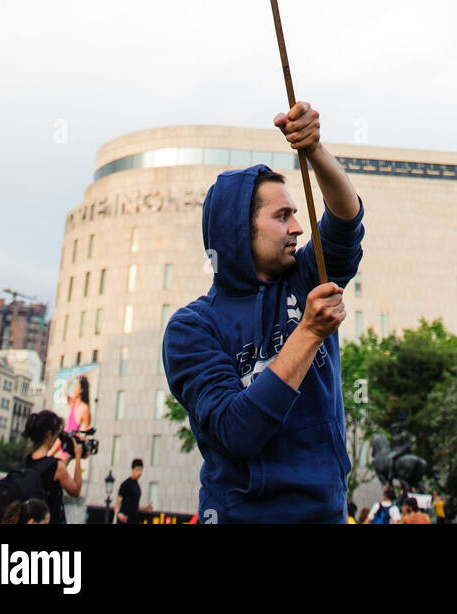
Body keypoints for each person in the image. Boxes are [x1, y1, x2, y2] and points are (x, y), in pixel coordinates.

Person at [163, 99, 364, 524]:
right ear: (241, 231)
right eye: (282, 216)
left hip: (327, 514)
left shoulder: (304, 277)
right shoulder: (190, 330)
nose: (297, 227)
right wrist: (308, 333)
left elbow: (346, 220)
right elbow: (238, 433)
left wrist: (315, 151)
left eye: (296, 213)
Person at [23, 410, 83, 525]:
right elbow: (75, 491)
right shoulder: (56, 467)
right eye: (56, 435)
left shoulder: (26, 463)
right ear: (49, 434)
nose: (57, 439)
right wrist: (78, 456)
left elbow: (50, 471)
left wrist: (69, 457)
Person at [115, 460, 153, 524]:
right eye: (137, 470)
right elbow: (117, 503)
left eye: (141, 470)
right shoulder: (126, 484)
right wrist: (118, 514)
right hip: (124, 519)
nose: (139, 472)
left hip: (133, 520)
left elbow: (134, 506)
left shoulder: (137, 485)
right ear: (132, 470)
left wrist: (146, 508)